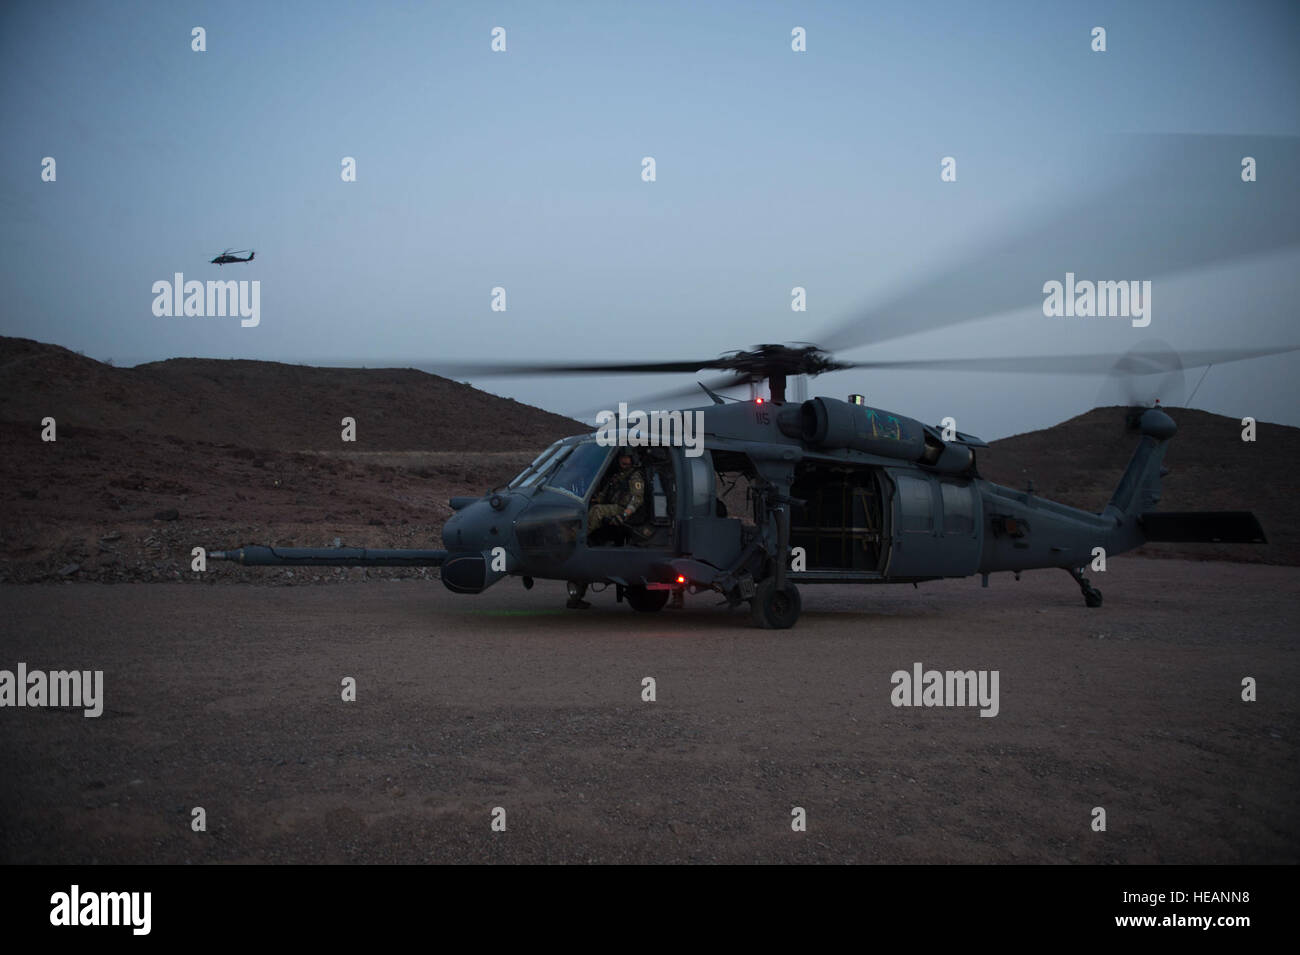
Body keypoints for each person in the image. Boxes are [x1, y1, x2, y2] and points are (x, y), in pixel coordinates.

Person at [587, 448, 646, 542]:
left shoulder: (635, 476)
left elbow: (637, 499)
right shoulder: (618, 475)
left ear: (632, 459)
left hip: (623, 509)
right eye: (622, 457)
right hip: (614, 505)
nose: (623, 460)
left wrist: (624, 514)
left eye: (626, 457)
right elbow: (606, 492)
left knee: (597, 510)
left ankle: (577, 536)